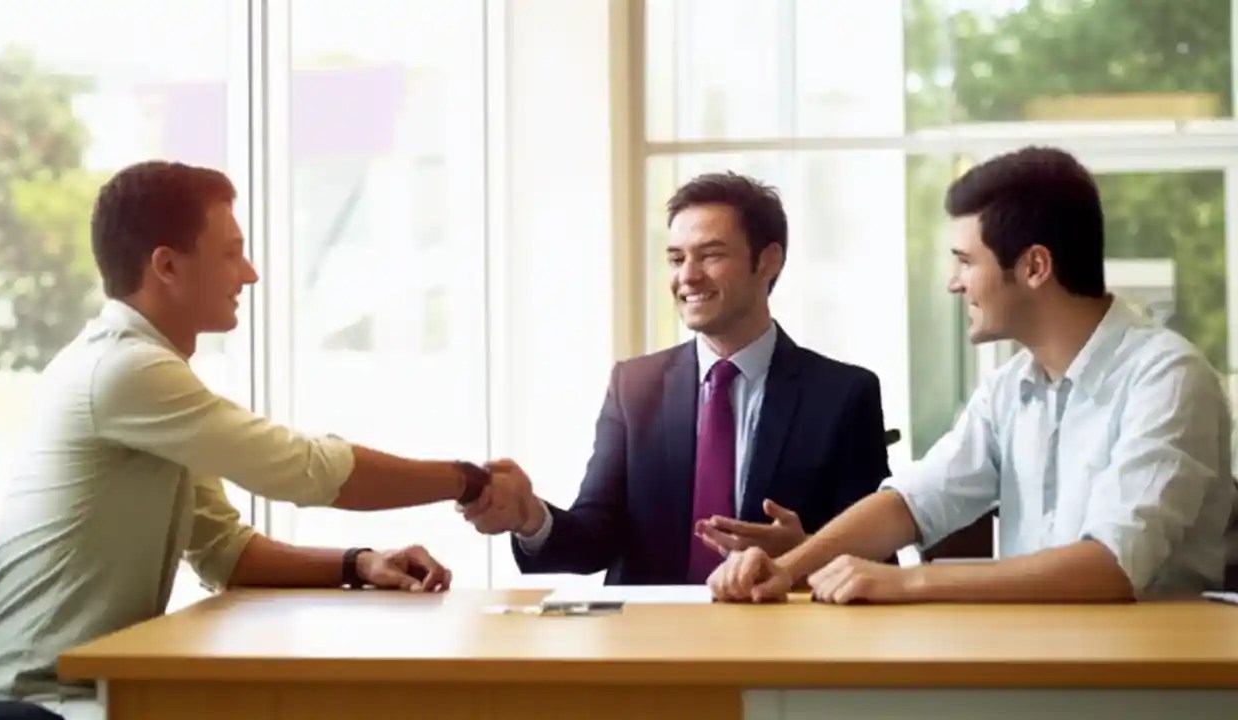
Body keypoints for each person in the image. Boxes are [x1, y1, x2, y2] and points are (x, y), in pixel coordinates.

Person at [0, 161, 498, 710]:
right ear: (166, 266)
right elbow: (308, 470)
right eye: (229, 253)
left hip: (85, 693)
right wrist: (469, 482)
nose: (249, 274)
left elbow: (225, 552)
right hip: (29, 701)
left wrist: (360, 564)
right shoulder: (124, 372)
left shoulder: (142, 376)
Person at [709, 146, 1237, 605]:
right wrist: (789, 567)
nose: (952, 283)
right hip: (1041, 665)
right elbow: (912, 501)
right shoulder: (1011, 387)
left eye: (965, 261)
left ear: (1034, 267)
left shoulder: (1168, 378)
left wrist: (907, 584)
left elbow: (1111, 566)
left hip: (1160, 684)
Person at [462, 172, 891, 585]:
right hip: (649, 645)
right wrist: (528, 516)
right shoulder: (633, 386)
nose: (687, 276)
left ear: (768, 260)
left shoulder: (842, 395)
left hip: (777, 643)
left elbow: (878, 558)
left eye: (710, 255)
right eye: (676, 258)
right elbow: (593, 539)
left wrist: (804, 553)